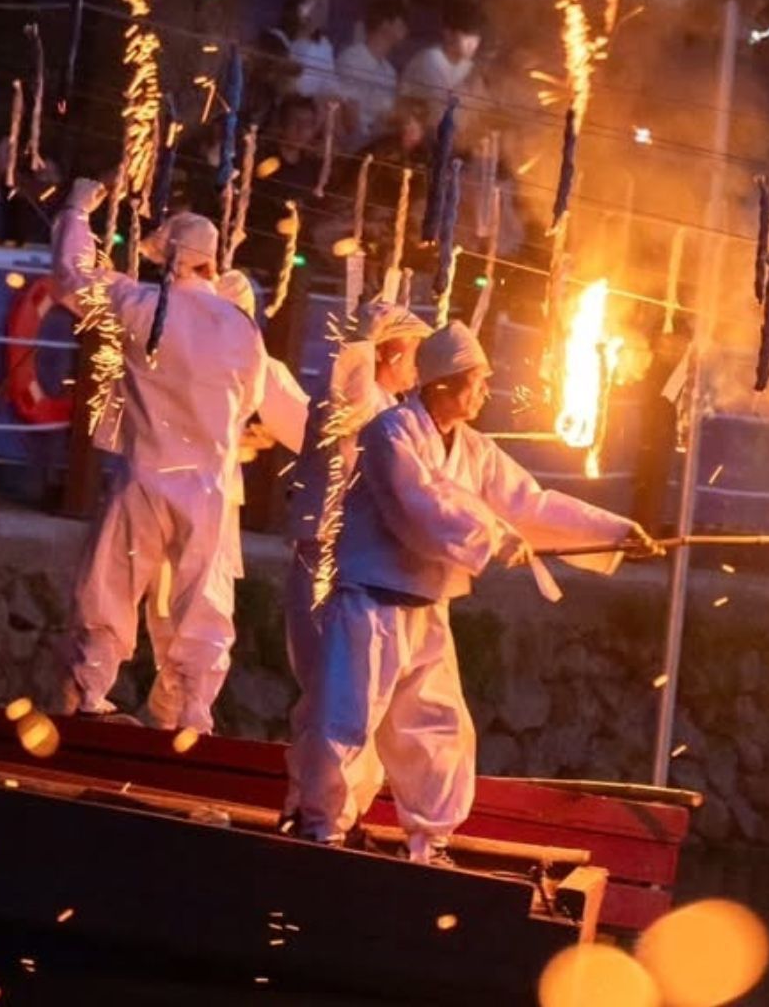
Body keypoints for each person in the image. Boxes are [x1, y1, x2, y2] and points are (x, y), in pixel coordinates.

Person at [289, 320, 656, 862]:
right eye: (477, 380)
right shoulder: (389, 432)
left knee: (439, 728)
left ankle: (429, 842)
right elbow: (424, 502)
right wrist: (494, 537)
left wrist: (617, 532)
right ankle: (320, 830)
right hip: (370, 603)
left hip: (428, 609)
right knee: (346, 718)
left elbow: (531, 503)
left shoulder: (476, 450)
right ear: (442, 383)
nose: (486, 391)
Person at [52, 192, 309, 733]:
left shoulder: (140, 303)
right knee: (203, 603)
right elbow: (288, 413)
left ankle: (87, 692)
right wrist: (351, 447)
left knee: (110, 587)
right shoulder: (241, 329)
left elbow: (72, 278)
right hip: (209, 488)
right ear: (214, 263)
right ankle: (192, 712)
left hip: (142, 478)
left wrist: (76, 213)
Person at [282, 301, 431, 829]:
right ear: (388, 353)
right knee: (336, 690)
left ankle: (319, 807)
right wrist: (361, 339)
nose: (420, 367)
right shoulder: (357, 398)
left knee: (345, 691)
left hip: (345, 556)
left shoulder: (390, 405)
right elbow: (344, 396)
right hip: (329, 551)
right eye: (413, 353)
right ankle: (320, 813)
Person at [335, 0, 410, 149]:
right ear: (384, 24)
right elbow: (348, 113)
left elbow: (386, 116)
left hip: (378, 145)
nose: (405, 29)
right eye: (400, 22)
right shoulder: (352, 58)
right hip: (353, 146)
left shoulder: (389, 71)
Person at [400, 0, 484, 103]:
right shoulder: (429, 59)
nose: (472, 43)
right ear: (448, 33)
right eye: (467, 35)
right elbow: (440, 106)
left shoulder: (470, 67)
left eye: (476, 37)